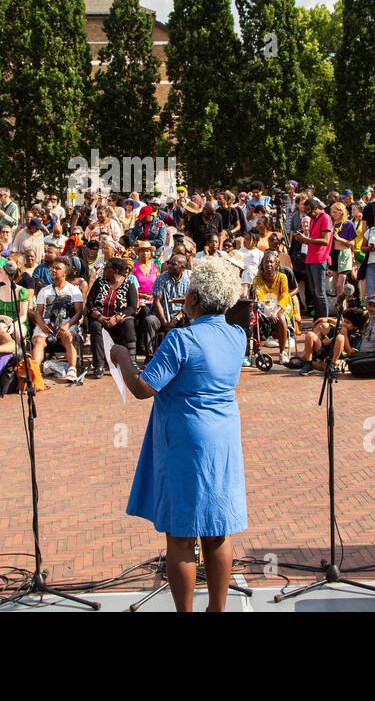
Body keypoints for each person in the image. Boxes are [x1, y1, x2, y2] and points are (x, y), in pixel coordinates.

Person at [110, 257, 248, 612]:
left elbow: (143, 388)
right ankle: (216, 608)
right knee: (217, 530)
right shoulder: (238, 335)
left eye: (188, 294)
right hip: (224, 435)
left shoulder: (181, 338)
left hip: (187, 437)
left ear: (197, 299)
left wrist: (122, 357)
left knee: (182, 534)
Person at [30, 259, 85, 382]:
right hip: (47, 324)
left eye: (57, 268)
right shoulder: (44, 290)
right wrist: (42, 325)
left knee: (68, 338)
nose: (53, 270)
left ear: (65, 272)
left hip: (67, 324)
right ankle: (34, 372)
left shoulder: (74, 290)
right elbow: (38, 313)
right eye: (52, 268)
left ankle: (72, 369)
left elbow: (79, 312)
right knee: (39, 340)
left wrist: (67, 325)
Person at [85, 257, 138, 377]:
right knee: (95, 325)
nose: (104, 270)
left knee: (129, 323)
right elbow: (89, 303)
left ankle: (132, 362)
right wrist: (100, 317)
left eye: (107, 268)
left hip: (119, 320)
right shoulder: (100, 282)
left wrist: (117, 317)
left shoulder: (128, 284)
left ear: (116, 271)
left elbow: (132, 307)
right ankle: (98, 365)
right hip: (100, 318)